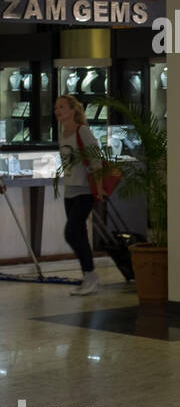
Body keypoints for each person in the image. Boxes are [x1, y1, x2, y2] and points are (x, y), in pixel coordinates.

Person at [54, 95, 101, 295]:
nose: (58, 111)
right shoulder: (62, 133)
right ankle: (88, 277)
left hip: (85, 191)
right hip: (69, 191)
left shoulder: (83, 131)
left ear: (73, 110)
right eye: (56, 107)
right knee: (79, 234)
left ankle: (91, 275)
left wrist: (99, 187)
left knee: (71, 232)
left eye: (62, 107)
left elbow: (95, 158)